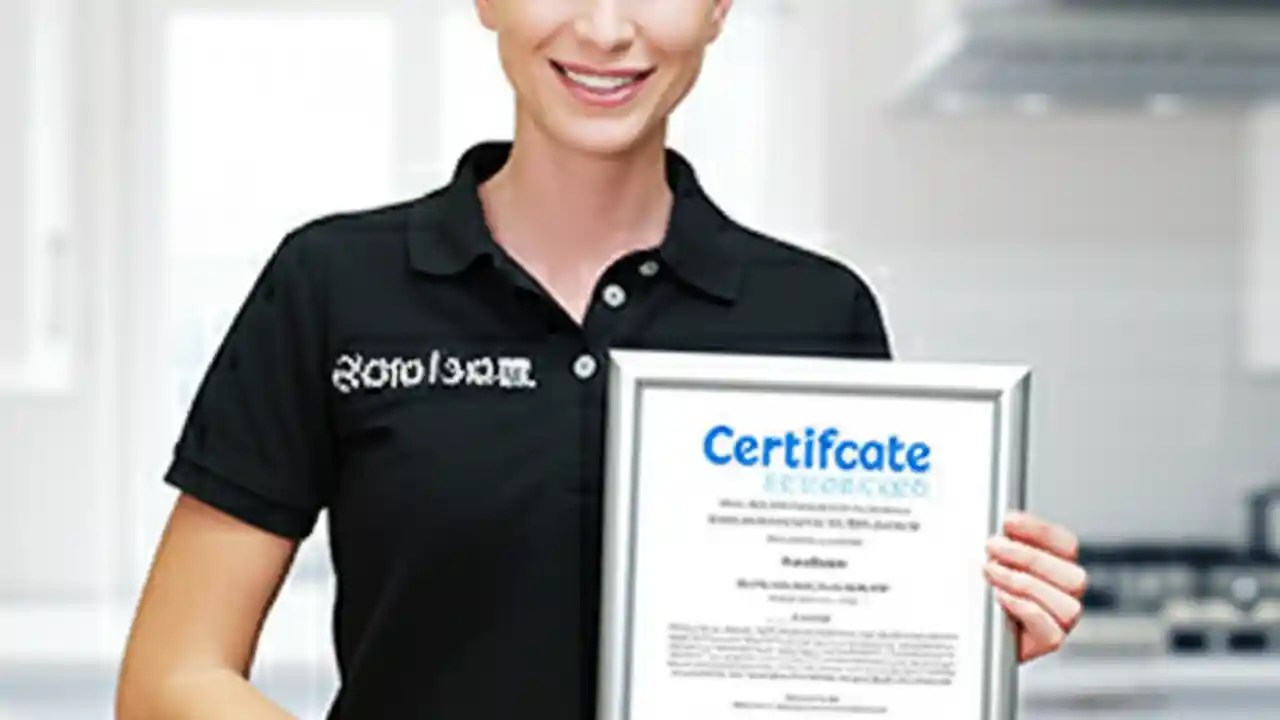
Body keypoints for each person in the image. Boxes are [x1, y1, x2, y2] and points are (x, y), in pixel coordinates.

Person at [116, 1, 1088, 718]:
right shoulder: (335, 285)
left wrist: (943, 645)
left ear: (716, 8)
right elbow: (171, 679)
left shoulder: (814, 312)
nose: (606, 27)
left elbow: (824, 669)